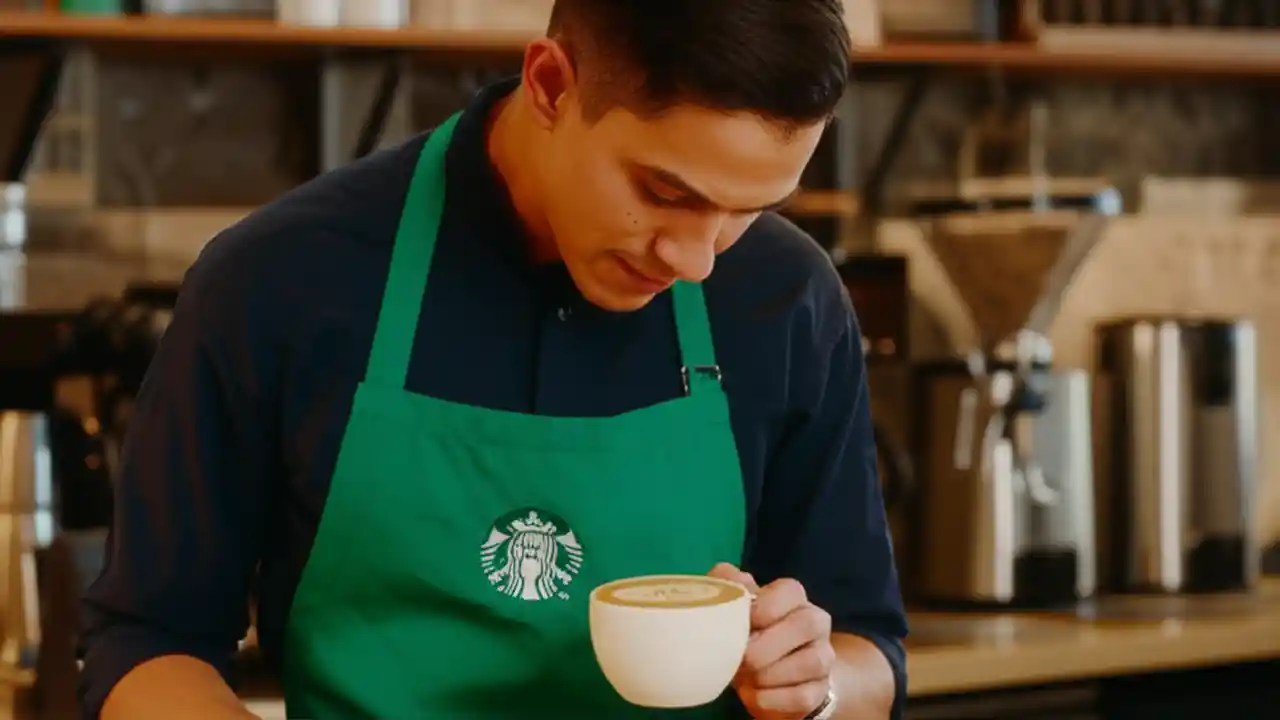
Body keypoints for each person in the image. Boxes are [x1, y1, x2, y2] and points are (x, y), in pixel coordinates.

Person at [78, 1, 909, 718]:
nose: (697, 258)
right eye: (666, 193)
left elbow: (869, 655)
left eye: (748, 211)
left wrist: (816, 685)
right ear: (549, 84)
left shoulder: (790, 300)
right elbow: (148, 640)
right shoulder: (279, 281)